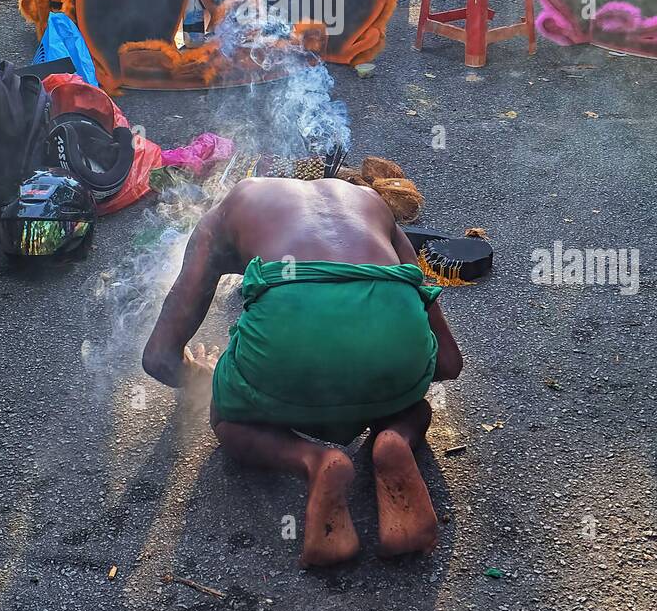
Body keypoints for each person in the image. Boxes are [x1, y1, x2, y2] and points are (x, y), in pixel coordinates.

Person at [142, 177, 463, 567]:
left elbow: (159, 358)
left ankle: (313, 461)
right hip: (391, 335)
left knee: (228, 418)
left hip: (288, 342)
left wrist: (207, 376)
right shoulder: (372, 203)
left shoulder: (235, 203)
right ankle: (394, 437)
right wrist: (388, 372)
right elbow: (449, 362)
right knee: (413, 405)